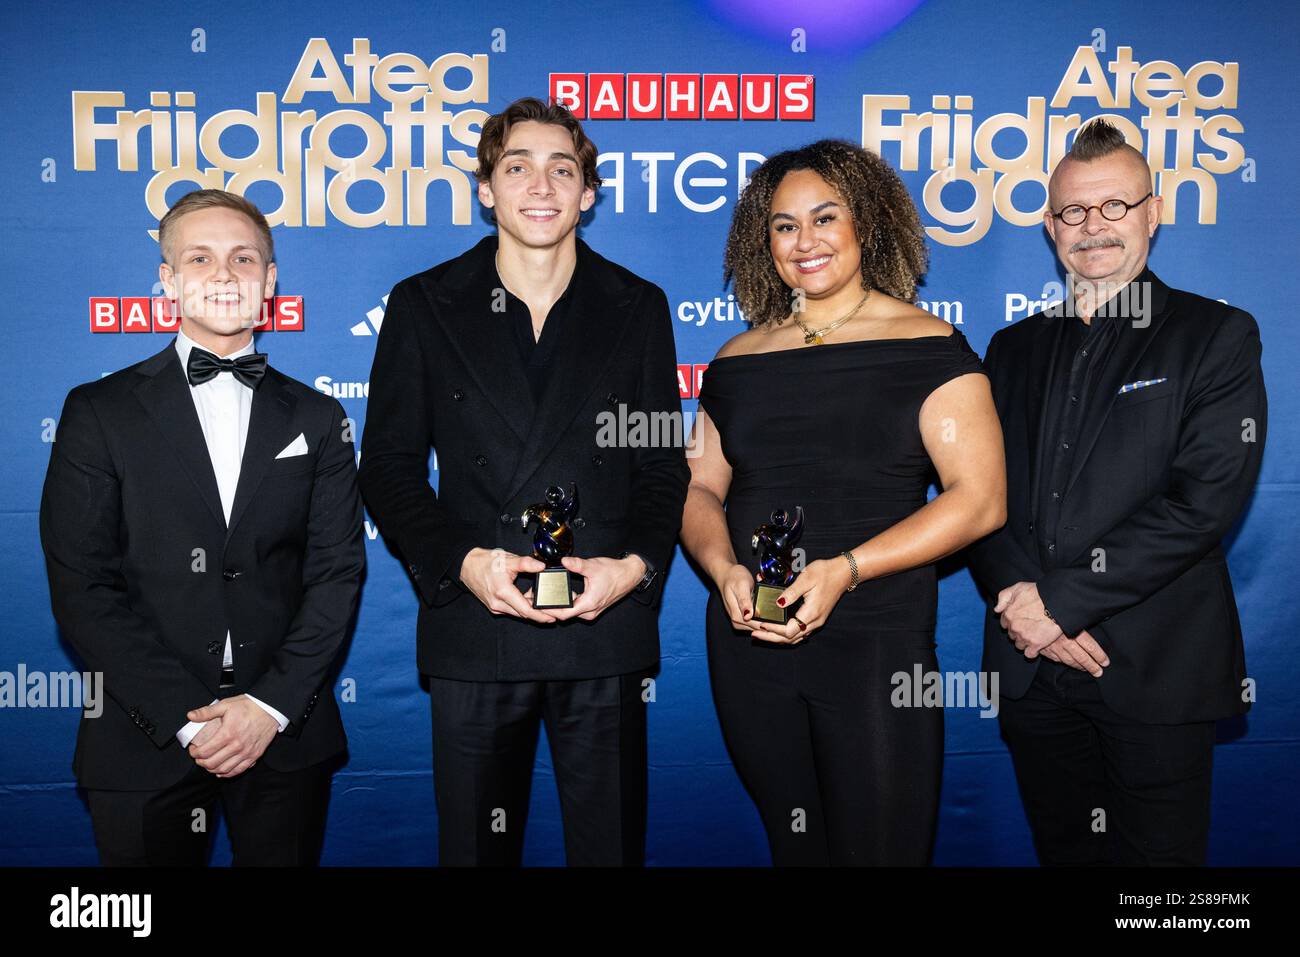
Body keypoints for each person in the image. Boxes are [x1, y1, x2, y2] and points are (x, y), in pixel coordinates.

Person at [358, 97, 689, 866]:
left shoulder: (637, 306)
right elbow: (389, 467)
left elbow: (662, 460)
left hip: (600, 623)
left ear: (589, 194)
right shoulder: (423, 304)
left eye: (561, 169)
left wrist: (635, 567)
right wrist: (464, 564)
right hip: (477, 624)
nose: (540, 186)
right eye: (517, 167)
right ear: (485, 189)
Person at [681, 139, 1006, 865]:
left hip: (875, 645)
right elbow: (699, 486)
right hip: (750, 644)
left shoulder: (929, 346)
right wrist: (724, 569)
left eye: (826, 217)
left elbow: (981, 501)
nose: (805, 241)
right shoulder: (737, 360)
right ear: (761, 241)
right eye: (784, 224)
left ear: (867, 222)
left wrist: (846, 569)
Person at [965, 118, 1267, 865]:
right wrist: (1027, 607)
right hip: (1032, 667)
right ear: (1049, 224)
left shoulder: (1217, 335)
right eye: (1073, 211)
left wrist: (1060, 603)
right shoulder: (1011, 348)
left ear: (1153, 213)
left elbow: (1204, 500)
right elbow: (977, 495)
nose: (1092, 227)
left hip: (1156, 671)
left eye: (1114, 207)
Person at [40, 189, 364, 865]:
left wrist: (266, 708)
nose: (224, 274)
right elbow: (83, 584)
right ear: (168, 279)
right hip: (141, 734)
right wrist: (192, 721)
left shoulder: (318, 416)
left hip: (284, 735)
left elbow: (335, 573)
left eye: (244, 257)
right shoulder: (97, 411)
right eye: (200, 256)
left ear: (270, 280)